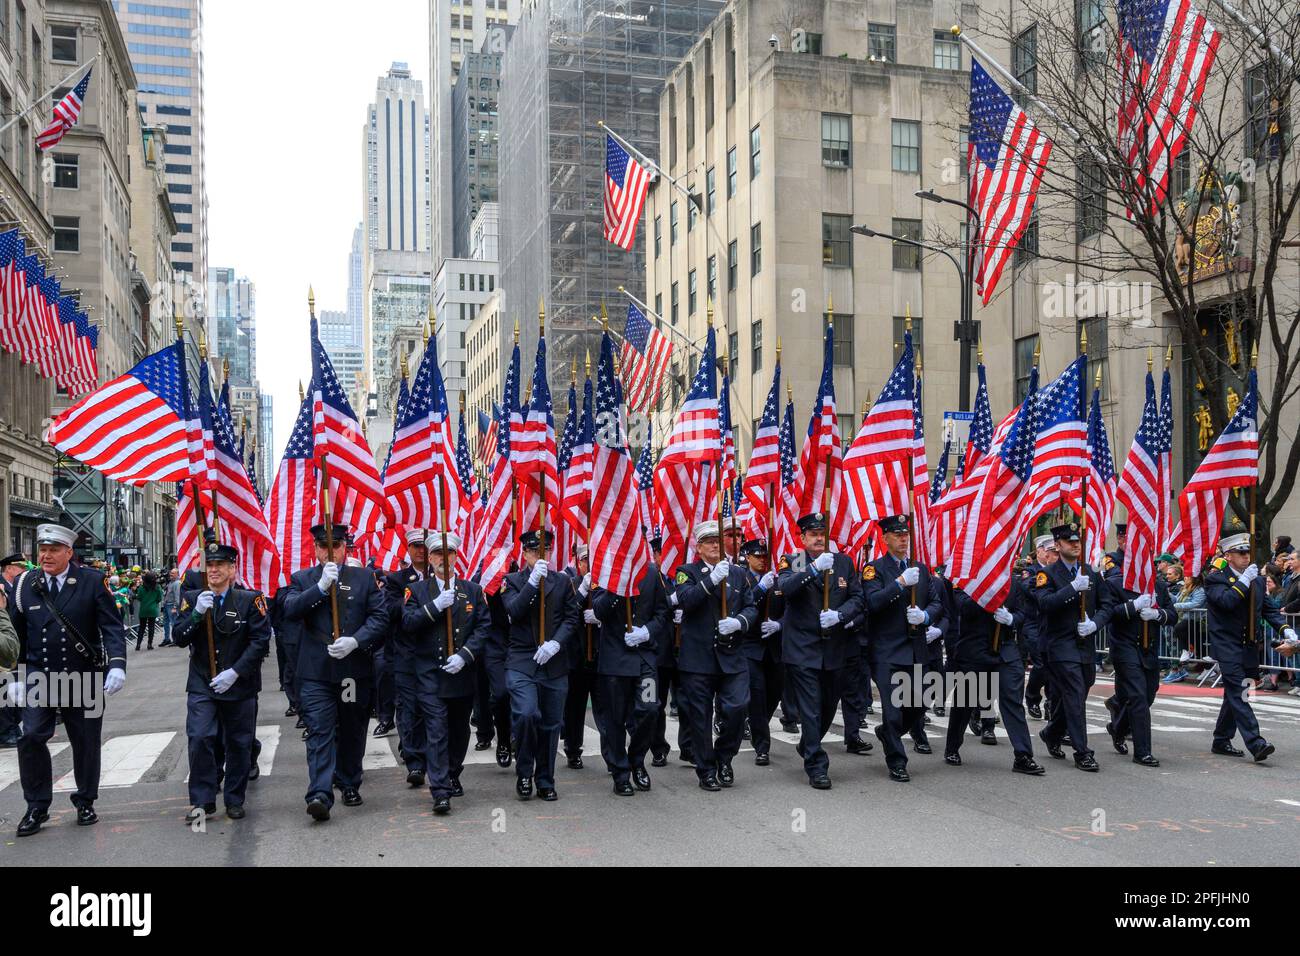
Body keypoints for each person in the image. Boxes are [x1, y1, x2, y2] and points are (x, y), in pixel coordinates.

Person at [11, 524, 127, 837]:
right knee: (32, 735)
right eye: (43, 550)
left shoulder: (90, 581)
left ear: (69, 552)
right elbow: (16, 633)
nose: (46, 556)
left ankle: (85, 800)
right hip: (40, 674)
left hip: (83, 673)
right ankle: (36, 805)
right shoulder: (24, 584)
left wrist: (117, 664)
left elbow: (112, 628)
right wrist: (16, 676)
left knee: (86, 740)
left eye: (53, 550)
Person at [283, 522, 388, 821]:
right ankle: (319, 793)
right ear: (315, 549)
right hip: (316, 671)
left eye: (336, 546)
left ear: (345, 548)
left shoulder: (364, 578)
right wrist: (319, 588)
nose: (330, 552)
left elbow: (379, 618)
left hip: (351, 672)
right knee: (319, 729)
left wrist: (356, 641)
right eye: (323, 546)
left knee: (352, 727)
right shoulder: (303, 579)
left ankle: (349, 781)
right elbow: (289, 610)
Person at [172, 542, 270, 821]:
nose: (213, 570)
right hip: (203, 682)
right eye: (209, 565)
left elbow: (259, 642)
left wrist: (235, 672)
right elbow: (179, 638)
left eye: (219, 566)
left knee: (239, 743)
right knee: (200, 736)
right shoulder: (192, 598)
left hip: (239, 684)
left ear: (231, 569)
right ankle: (203, 799)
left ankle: (234, 798)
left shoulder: (250, 600)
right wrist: (195, 614)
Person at [399, 530, 490, 814]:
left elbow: (483, 626)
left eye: (448, 553)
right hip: (430, 674)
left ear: (455, 556)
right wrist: (435, 606)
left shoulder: (472, 590)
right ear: (430, 557)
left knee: (459, 729)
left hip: (461, 672)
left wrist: (465, 655)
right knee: (436, 730)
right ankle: (440, 790)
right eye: (438, 554)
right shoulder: (417, 591)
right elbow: (408, 622)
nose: (444, 559)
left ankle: (452, 772)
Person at [774, 513, 864, 789]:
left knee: (827, 707)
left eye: (822, 534)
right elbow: (785, 587)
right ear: (802, 538)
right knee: (811, 708)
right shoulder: (794, 560)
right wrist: (812, 569)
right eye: (812, 534)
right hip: (802, 649)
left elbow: (858, 598)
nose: (818, 539)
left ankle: (807, 743)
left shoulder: (843, 562)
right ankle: (817, 765)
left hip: (834, 648)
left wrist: (840, 615)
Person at [672, 520, 757, 791]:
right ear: (698, 548)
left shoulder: (738, 573)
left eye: (719, 541)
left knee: (737, 708)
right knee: (699, 716)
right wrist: (712, 580)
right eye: (709, 542)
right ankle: (706, 768)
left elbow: (751, 606)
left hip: (732, 655)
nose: (715, 546)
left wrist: (740, 622)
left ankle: (724, 757)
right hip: (698, 658)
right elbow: (686, 600)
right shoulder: (686, 571)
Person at [862, 514, 942, 783]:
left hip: (916, 649)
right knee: (893, 708)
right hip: (886, 651)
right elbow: (872, 603)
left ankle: (888, 732)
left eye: (906, 534)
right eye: (897, 535)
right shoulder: (874, 569)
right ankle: (897, 760)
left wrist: (925, 616)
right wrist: (899, 584)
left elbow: (936, 601)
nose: (904, 539)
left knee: (920, 704)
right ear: (885, 539)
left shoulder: (919, 568)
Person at [500, 529, 579, 801]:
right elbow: (513, 610)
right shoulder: (511, 581)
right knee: (526, 714)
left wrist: (556, 643)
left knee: (550, 723)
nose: (540, 555)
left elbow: (571, 618)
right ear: (525, 554)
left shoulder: (563, 582)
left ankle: (545, 779)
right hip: (522, 661)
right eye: (535, 551)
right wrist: (532, 584)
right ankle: (524, 771)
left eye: (545, 550)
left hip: (554, 663)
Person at [1204, 534, 1298, 761]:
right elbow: (1226, 602)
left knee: (1237, 694)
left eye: (1247, 553)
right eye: (1240, 553)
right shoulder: (1215, 578)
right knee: (1240, 692)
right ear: (1228, 556)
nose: (1246, 557)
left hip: (1247, 646)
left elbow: (1267, 610)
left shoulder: (1255, 580)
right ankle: (1256, 743)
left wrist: (1285, 629)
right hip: (1226, 645)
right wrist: (1244, 581)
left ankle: (1221, 739)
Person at [943, 577, 1045, 775]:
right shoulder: (967, 579)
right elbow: (963, 607)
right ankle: (952, 747)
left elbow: (1024, 612)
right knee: (965, 702)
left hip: (1005, 649)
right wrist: (988, 595)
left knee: (1012, 701)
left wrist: (1011, 619)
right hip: (975, 649)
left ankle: (1023, 755)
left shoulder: (1013, 582)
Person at [1033, 522, 1113, 772]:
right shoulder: (1048, 574)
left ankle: (1051, 732)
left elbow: (1107, 605)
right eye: (1070, 542)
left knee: (1079, 692)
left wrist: (1094, 624)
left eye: (1078, 541)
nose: (1076, 545)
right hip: (1059, 645)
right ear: (1058, 545)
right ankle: (1082, 752)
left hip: (1084, 644)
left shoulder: (1090, 572)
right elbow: (1044, 604)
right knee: (1075, 695)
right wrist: (1071, 589)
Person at [589, 558, 670, 795]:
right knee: (614, 719)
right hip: (615, 659)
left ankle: (636, 760)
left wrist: (647, 632)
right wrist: (618, 585)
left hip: (644, 657)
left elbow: (662, 611)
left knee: (650, 708)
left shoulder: (652, 572)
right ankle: (620, 772)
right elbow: (598, 610)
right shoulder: (605, 572)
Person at [1100, 550, 1176, 766]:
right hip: (1125, 648)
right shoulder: (1116, 584)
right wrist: (1131, 607)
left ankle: (1118, 728)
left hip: (1148, 649)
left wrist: (1157, 614)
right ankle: (1142, 752)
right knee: (1138, 697)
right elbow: (1108, 613)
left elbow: (1173, 615)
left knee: (1148, 694)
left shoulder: (1158, 586)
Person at [737, 538, 788, 766]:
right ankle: (762, 746)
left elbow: (793, 610)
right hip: (750, 646)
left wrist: (780, 625)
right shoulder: (741, 578)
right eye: (757, 556)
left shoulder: (779, 580)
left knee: (774, 694)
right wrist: (760, 589)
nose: (762, 560)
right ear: (747, 557)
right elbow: (740, 606)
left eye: (765, 556)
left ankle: (757, 724)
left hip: (774, 647)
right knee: (757, 696)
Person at [388, 528, 431, 786]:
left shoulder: (442, 576)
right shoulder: (397, 580)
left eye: (424, 546)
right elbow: (391, 609)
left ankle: (429, 754)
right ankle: (414, 762)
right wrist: (416, 596)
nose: (420, 551)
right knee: (409, 707)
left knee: (432, 708)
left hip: (434, 654)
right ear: (408, 548)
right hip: (406, 654)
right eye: (415, 546)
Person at [562, 544, 601, 770]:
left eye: (592, 560)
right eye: (585, 560)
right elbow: (566, 611)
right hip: (576, 656)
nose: (589, 565)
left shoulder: (606, 584)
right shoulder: (570, 584)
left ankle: (610, 752)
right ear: (578, 562)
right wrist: (583, 593)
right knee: (575, 708)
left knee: (605, 708)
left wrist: (600, 617)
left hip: (602, 655)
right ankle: (573, 750)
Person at [1023, 534, 1057, 720]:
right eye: (1048, 550)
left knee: (1054, 664)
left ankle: (1051, 702)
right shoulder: (1031, 571)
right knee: (1042, 664)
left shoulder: (1058, 572)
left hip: (1053, 625)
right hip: (1034, 625)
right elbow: (1029, 589)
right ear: (1039, 552)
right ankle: (1032, 696)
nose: (1052, 554)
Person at [1, 553, 28, 747]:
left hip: (13, 646)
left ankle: (12, 726)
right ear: (9, 568)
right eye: (21, 567)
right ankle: (8, 729)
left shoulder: (17, 587)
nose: (24, 570)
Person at [134, 571, 163, 651]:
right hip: (153, 609)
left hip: (143, 609)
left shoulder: (141, 588)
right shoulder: (157, 587)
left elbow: (139, 597)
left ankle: (138, 645)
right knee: (151, 627)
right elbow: (159, 598)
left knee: (142, 628)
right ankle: (149, 644)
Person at [160, 568, 180, 647]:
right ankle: (167, 639)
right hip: (166, 605)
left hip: (171, 605)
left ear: (177, 574)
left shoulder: (177, 583)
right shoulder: (171, 582)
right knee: (166, 623)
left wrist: (175, 607)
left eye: (173, 573)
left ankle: (176, 640)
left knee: (174, 623)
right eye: (171, 573)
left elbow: (177, 596)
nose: (171, 574)